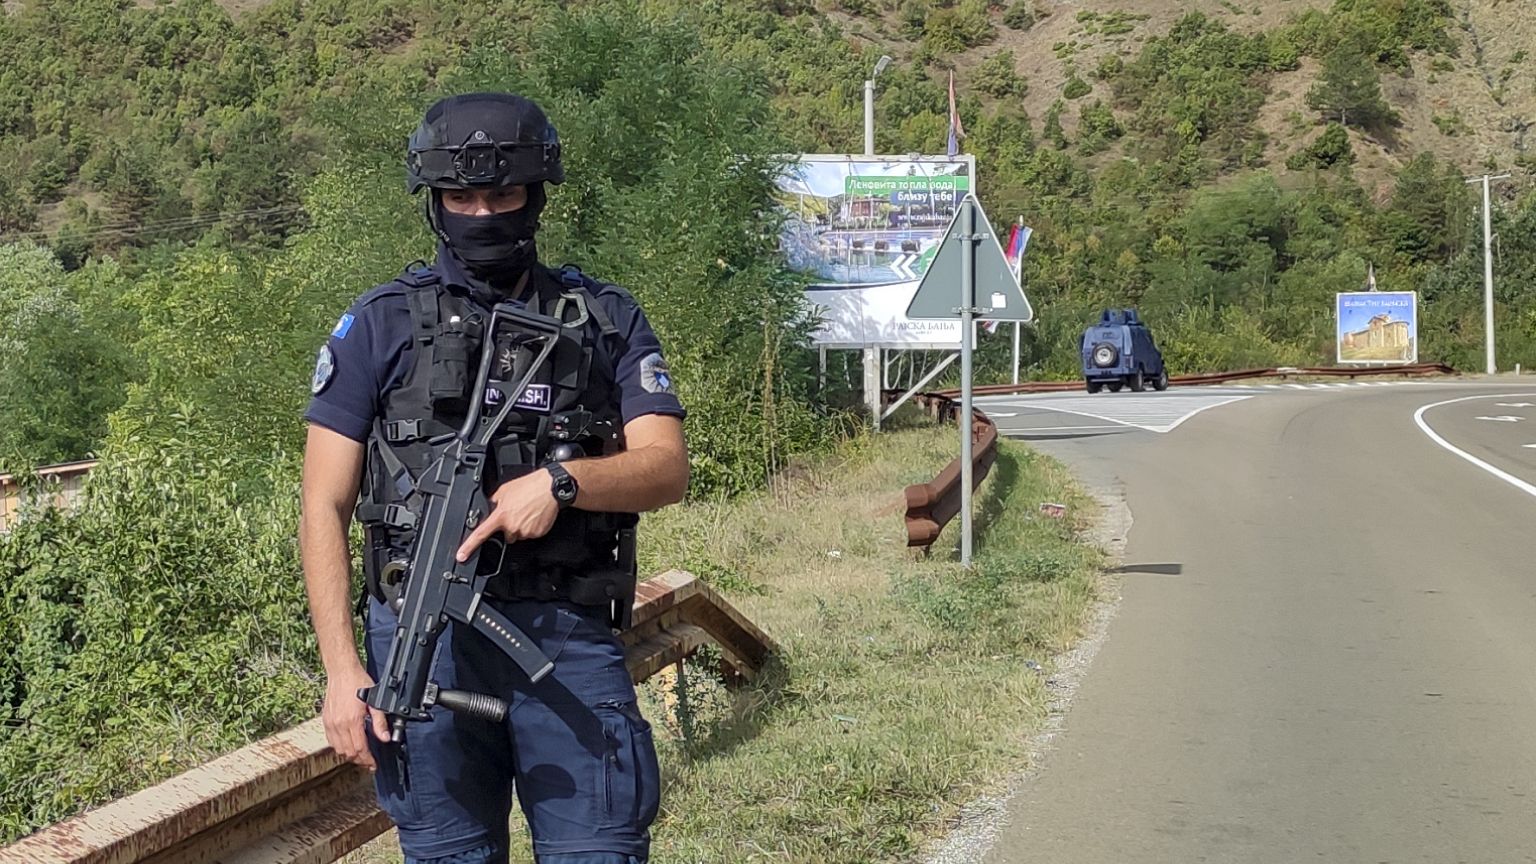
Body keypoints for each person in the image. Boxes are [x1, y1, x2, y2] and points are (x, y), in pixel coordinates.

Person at [298, 92, 689, 864]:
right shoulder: (378, 325)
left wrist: (564, 486)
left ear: (536, 195)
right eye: (462, 197)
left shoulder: (603, 319)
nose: (483, 213)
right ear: (435, 202)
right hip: (422, 642)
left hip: (564, 637)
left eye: (503, 194)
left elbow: (666, 466)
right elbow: (323, 504)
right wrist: (342, 672)